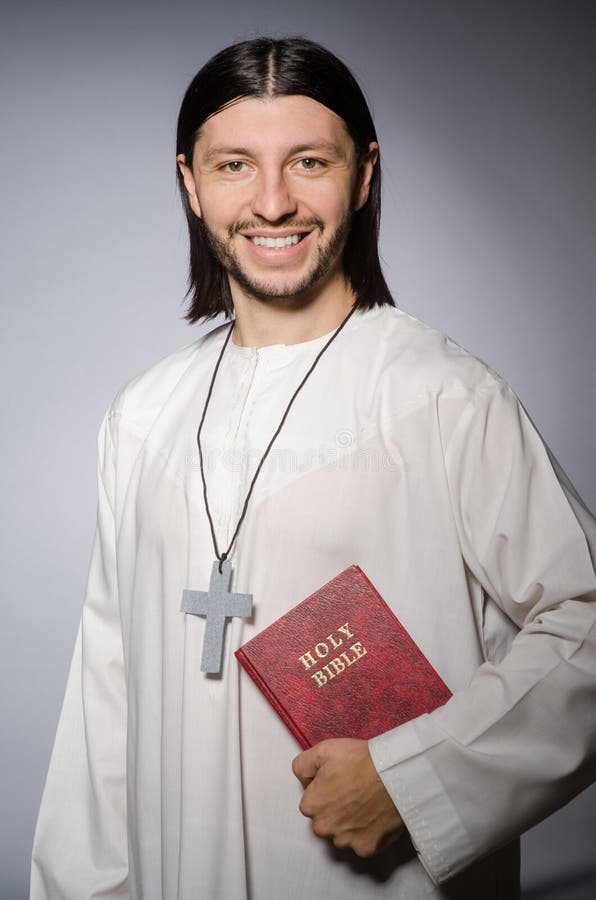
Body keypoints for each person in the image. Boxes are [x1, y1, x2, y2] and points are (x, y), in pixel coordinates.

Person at [30, 36, 596, 900]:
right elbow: (105, 712)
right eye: (233, 166)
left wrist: (416, 777)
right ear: (189, 182)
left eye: (307, 161)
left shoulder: (441, 397)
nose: (272, 201)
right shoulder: (143, 417)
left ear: (363, 175)